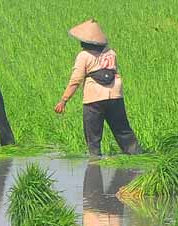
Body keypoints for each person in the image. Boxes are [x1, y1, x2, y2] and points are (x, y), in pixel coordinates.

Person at [55, 19, 141, 157]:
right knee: (123, 130)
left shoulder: (84, 56)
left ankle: (94, 163)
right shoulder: (111, 53)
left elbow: (76, 80)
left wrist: (64, 100)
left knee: (93, 135)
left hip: (94, 98)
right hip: (115, 96)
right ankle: (137, 156)